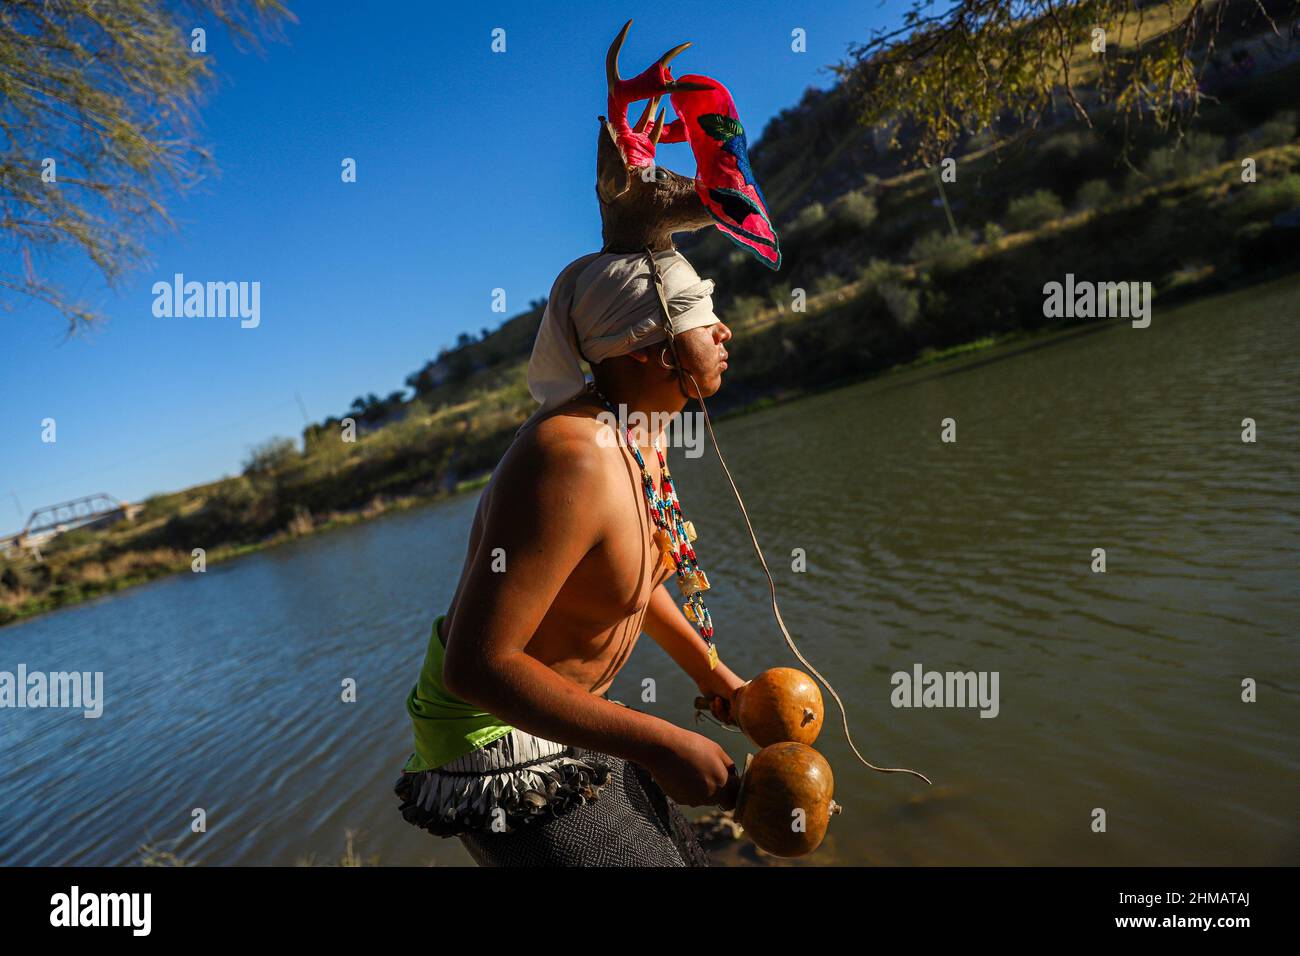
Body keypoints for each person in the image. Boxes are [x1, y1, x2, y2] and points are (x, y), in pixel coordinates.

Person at [394, 246, 747, 866]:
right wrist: (663, 745)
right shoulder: (571, 457)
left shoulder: (643, 429)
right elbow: (476, 666)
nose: (724, 329)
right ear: (646, 345)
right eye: (700, 312)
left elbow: (623, 582)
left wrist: (714, 676)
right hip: (493, 732)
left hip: (557, 704)